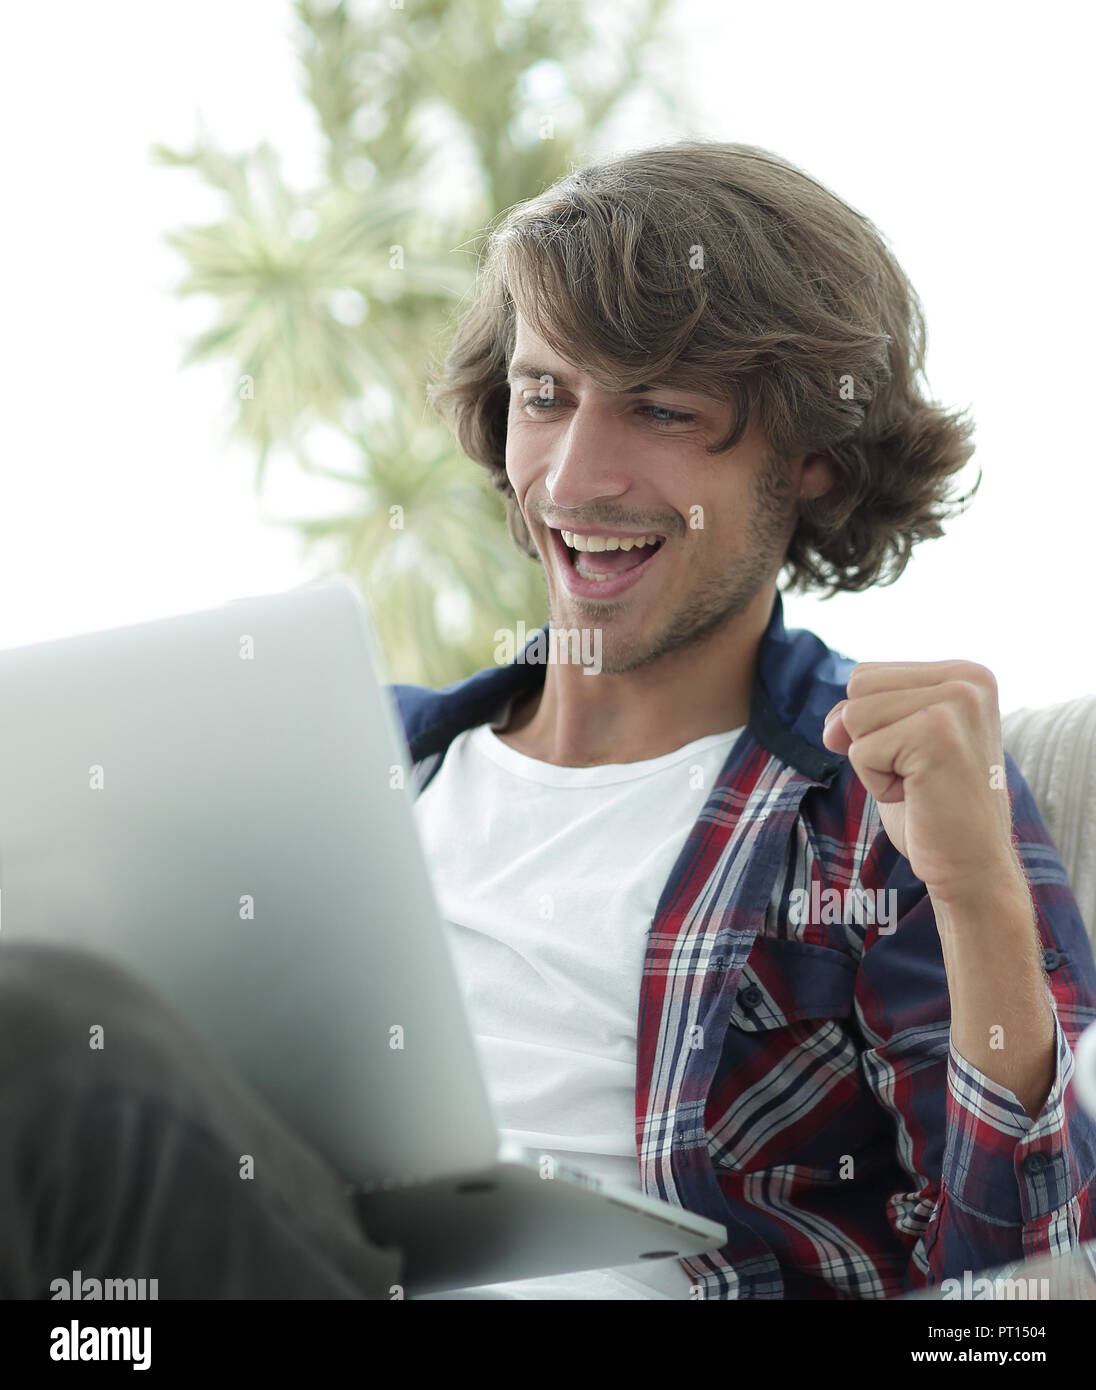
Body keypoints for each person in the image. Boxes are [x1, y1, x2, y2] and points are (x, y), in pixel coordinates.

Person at [3, 139, 1094, 1303]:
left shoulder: (882, 800)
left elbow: (1018, 1284)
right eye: (545, 395)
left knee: (36, 1033)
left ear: (814, 459)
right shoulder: (350, 762)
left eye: (660, 410)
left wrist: (978, 897)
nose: (576, 476)